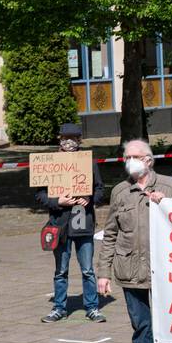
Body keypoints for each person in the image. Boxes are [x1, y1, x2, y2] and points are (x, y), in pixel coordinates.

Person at [96, 139, 172, 343]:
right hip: (130, 271)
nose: (129, 161)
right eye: (125, 157)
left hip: (164, 272)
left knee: (166, 328)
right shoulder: (121, 191)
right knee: (141, 327)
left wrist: (167, 204)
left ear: (148, 160)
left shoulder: (170, 186)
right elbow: (110, 233)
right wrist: (103, 272)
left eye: (134, 156)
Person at [38, 124, 106, 323]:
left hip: (83, 222)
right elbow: (40, 193)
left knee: (87, 269)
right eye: (65, 138)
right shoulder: (50, 163)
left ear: (79, 140)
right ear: (60, 139)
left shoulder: (89, 162)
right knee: (61, 270)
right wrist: (57, 202)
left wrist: (90, 199)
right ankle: (59, 307)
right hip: (59, 224)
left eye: (73, 138)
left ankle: (92, 307)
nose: (69, 142)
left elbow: (100, 189)